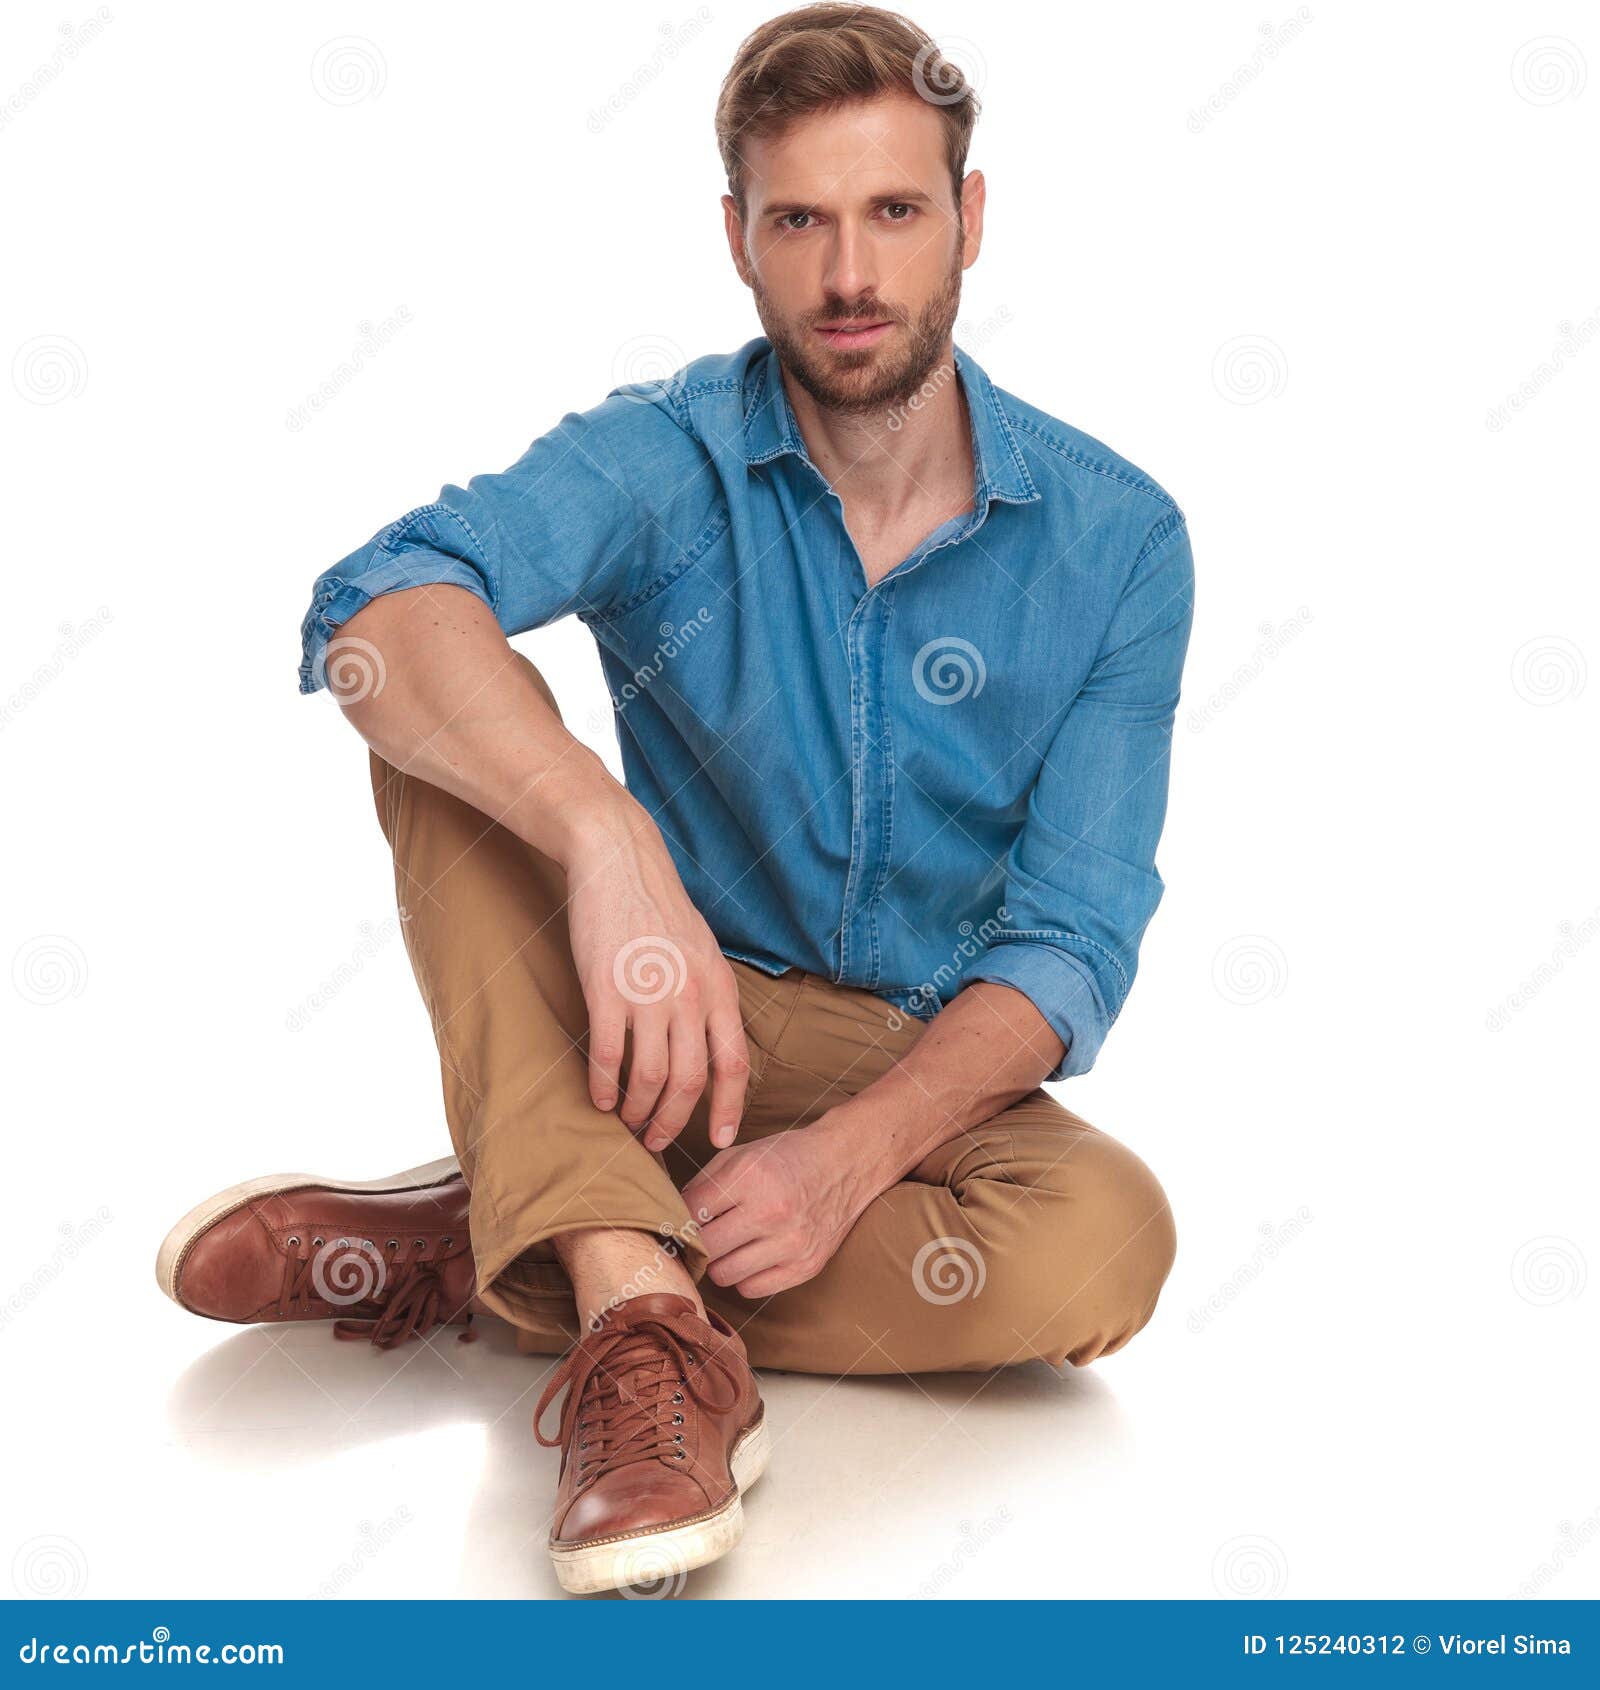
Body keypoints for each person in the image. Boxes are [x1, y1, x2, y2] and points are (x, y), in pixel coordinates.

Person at [156, 3, 1192, 1595]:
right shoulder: (669, 453)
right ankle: (638, 1316)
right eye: (802, 220)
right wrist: (602, 829)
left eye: (895, 212)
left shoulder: (1119, 539)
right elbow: (371, 612)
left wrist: (849, 1154)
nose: (851, 275)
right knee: (439, 723)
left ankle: (527, 1230)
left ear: (971, 221)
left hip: (904, 1067)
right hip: (653, 1019)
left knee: (1110, 1241)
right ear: (739, 241)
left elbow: (1070, 938)